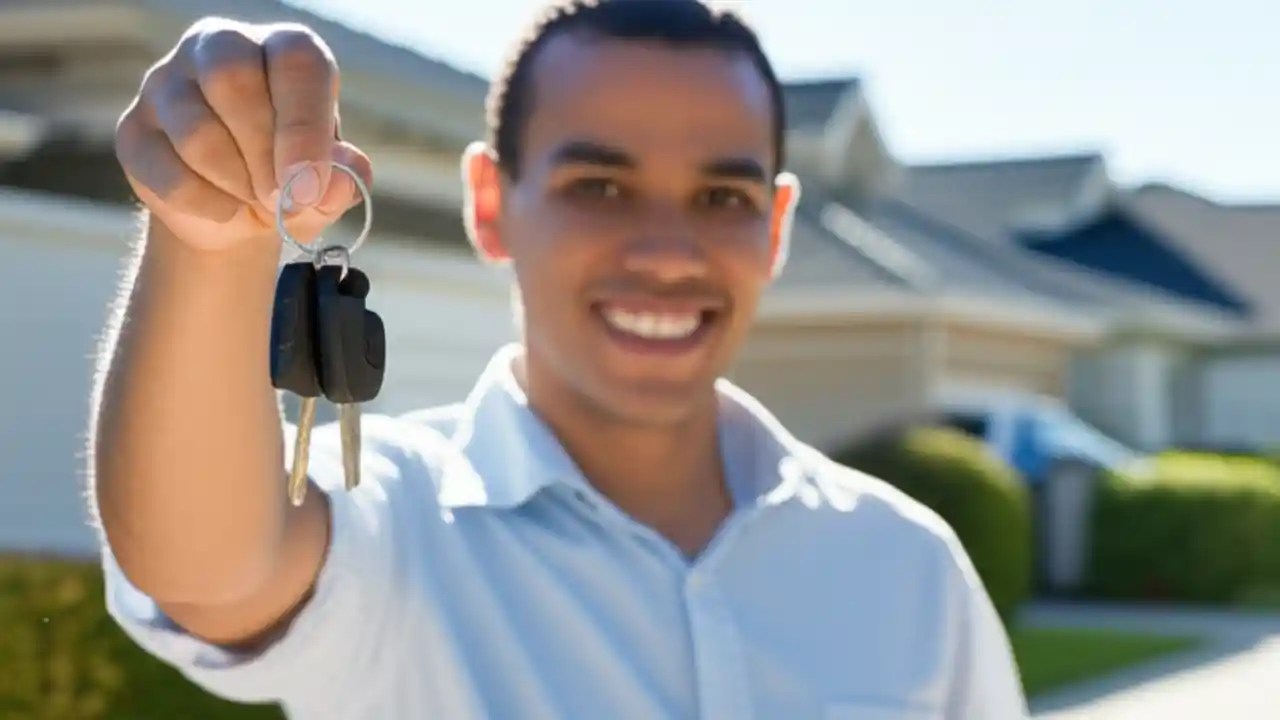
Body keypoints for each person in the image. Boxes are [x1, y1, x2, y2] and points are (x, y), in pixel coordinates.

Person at [91, 1, 1029, 718]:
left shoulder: (909, 567)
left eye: (720, 198)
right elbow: (211, 569)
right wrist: (207, 240)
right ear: (491, 202)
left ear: (776, 227)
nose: (666, 253)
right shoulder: (395, 532)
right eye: (601, 185)